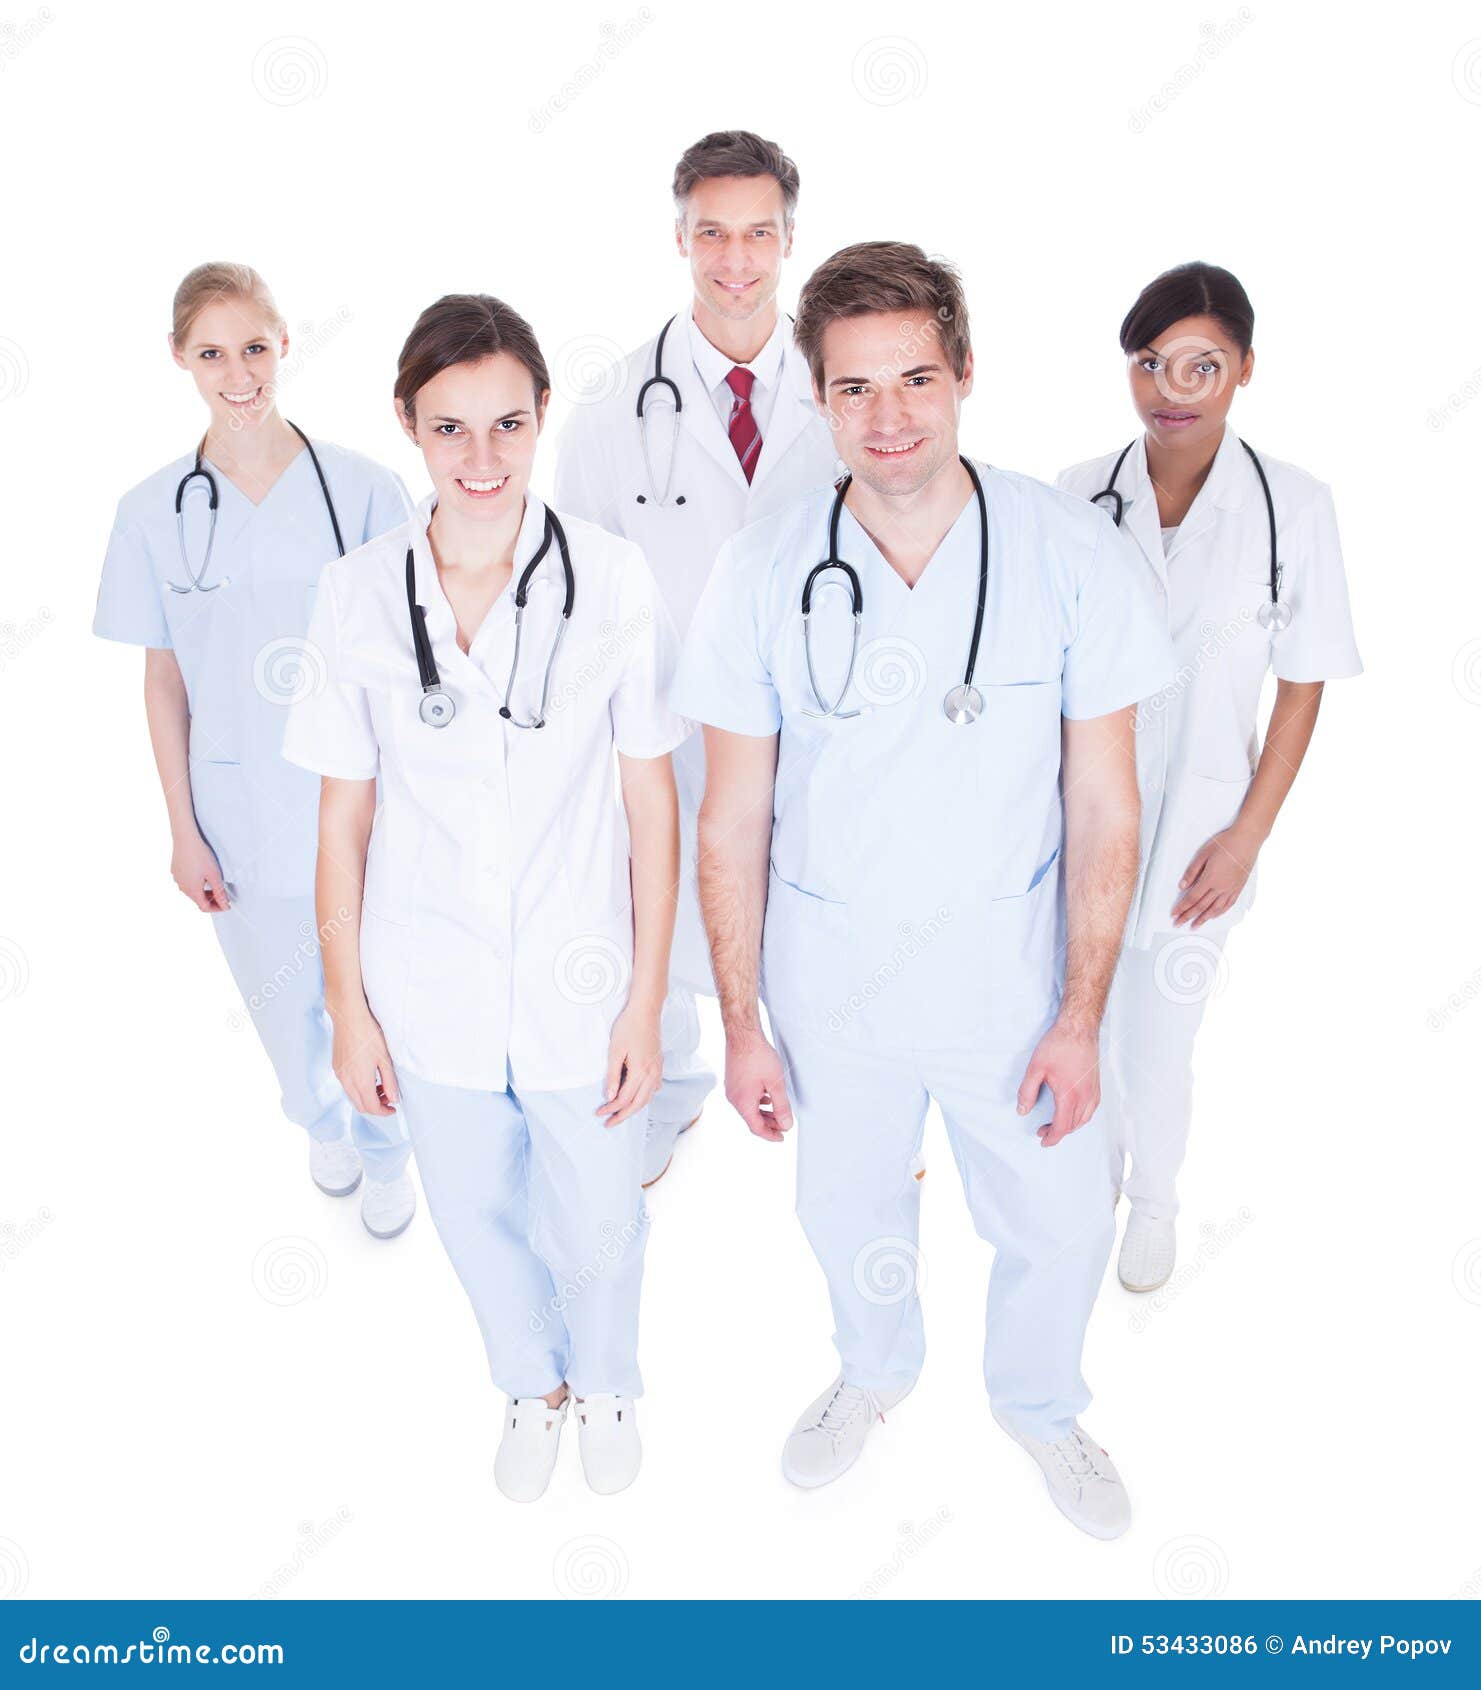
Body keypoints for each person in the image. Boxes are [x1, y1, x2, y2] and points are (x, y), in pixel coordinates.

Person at [671, 243, 1178, 1540]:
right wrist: (737, 1019)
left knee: (1062, 1218)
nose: (886, 418)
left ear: (964, 374)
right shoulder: (766, 573)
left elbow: (1106, 805)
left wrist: (1080, 1013)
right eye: (851, 390)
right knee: (845, 1209)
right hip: (831, 982)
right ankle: (875, 1371)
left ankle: (1040, 1402)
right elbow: (728, 815)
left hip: (1013, 981)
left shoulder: (1070, 557)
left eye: (913, 379)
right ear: (818, 400)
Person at [283, 295, 688, 1502]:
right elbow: (341, 821)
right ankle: (533, 1380)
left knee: (603, 1211)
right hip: (429, 984)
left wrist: (646, 999)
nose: (481, 458)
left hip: (581, 978)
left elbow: (650, 807)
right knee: (471, 1209)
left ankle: (607, 1376)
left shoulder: (609, 578)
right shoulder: (356, 595)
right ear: (407, 423)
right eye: (451, 427)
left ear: (541, 419)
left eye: (507, 424)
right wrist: (348, 1010)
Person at [93, 261, 417, 1238]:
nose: (238, 373)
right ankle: (318, 1118)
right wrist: (180, 829)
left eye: (255, 347)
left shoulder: (361, 490)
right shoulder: (151, 512)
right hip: (234, 813)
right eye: (212, 352)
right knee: (285, 1011)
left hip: (358, 802)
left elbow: (411, 659)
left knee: (373, 993)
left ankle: (388, 1144)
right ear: (179, 359)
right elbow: (163, 679)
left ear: (286, 344)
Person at [1056, 261, 1361, 1292]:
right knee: (1079, 1018)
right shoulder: (1075, 495)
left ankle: (1155, 1205)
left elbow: (1303, 682)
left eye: (1201, 365)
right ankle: (1082, 1195)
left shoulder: (1293, 506)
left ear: (1241, 371)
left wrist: (1245, 836)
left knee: (1160, 1040)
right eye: (1149, 363)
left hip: (1199, 833)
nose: (1170, 388)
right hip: (1082, 824)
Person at [555, 130, 839, 1189]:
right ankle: (667, 1090)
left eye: (757, 233)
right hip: (667, 728)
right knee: (656, 910)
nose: (735, 258)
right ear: (677, 236)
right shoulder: (612, 407)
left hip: (813, 718)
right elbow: (573, 586)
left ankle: (841, 1090)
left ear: (788, 239)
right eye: (711, 232)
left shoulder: (843, 379)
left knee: (822, 906)